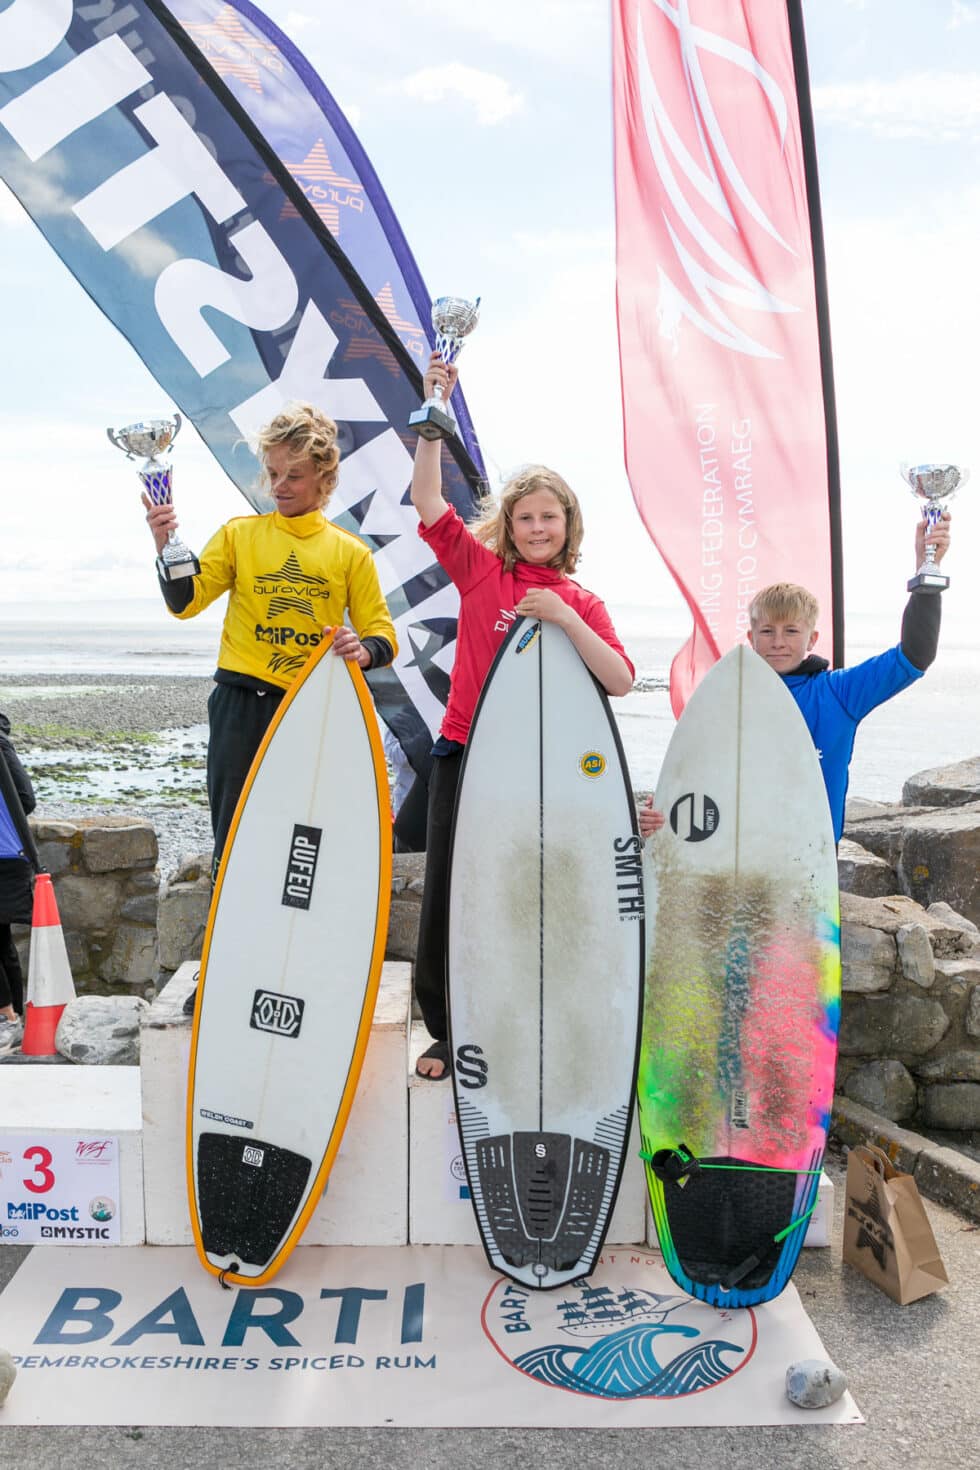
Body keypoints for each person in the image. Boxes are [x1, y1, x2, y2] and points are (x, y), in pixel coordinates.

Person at [411, 353, 635, 1079]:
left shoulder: (587, 602)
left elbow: (623, 680)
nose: (538, 527)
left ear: (569, 525)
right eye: (526, 516)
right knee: (452, 894)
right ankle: (447, 1031)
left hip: (546, 775)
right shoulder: (482, 571)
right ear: (509, 524)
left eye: (550, 516)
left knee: (537, 898)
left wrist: (565, 619)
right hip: (465, 756)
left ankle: (534, 1020)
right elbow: (426, 500)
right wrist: (432, 416)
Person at [144, 401, 399, 887]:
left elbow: (382, 635)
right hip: (239, 702)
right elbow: (186, 602)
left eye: (295, 476)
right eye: (274, 473)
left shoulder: (350, 553)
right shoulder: (241, 535)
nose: (280, 486)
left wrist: (361, 650)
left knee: (302, 833)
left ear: (325, 478)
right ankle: (229, 950)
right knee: (235, 832)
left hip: (310, 707)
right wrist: (165, 547)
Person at [638, 513, 952, 845]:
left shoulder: (839, 694)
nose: (778, 641)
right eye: (767, 631)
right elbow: (695, 775)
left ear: (812, 639)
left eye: (791, 631)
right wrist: (660, 813)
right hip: (737, 859)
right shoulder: (730, 701)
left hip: (808, 862)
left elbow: (916, 654)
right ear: (751, 637)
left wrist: (925, 575)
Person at [0, 713, 36, 1041]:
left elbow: (25, 800)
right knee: (2, 941)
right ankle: (14, 1018)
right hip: (9, 854)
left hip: (4, 855)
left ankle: (6, 1015)